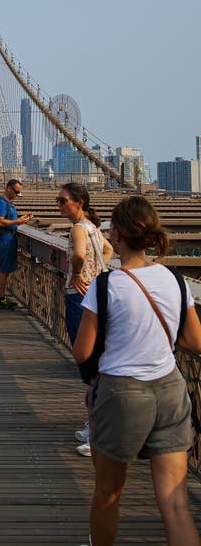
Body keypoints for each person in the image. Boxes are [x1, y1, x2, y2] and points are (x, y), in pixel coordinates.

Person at [73, 196, 201, 546]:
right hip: (171, 391)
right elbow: (195, 341)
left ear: (116, 233)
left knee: (108, 494)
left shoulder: (105, 286)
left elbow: (82, 352)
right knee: (175, 503)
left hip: (122, 394)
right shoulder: (176, 281)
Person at [57, 182, 113, 456]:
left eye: (63, 200)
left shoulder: (79, 228)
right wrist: (95, 277)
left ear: (78, 202)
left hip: (78, 298)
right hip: (92, 297)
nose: (59, 205)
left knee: (90, 364)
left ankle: (97, 434)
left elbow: (79, 255)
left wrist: (79, 274)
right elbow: (109, 252)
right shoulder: (92, 226)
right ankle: (92, 425)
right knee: (96, 365)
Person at [0, 179, 33, 309]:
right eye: (16, 191)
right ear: (8, 188)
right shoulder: (1, 203)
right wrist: (18, 221)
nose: (17, 194)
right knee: (4, 269)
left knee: (6, 269)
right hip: (5, 239)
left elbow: (10, 220)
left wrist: (22, 219)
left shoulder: (10, 203)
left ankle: (3, 296)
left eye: (19, 192)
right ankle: (1, 298)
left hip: (9, 238)